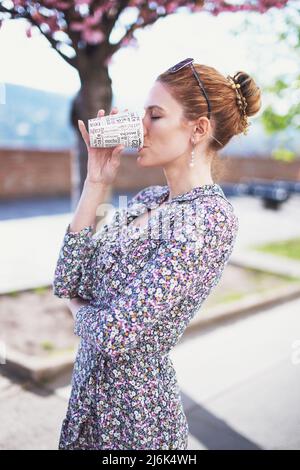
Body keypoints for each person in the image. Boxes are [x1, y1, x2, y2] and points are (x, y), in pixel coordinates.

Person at [53, 58, 261, 450]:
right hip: (86, 407)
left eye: (155, 115)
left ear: (198, 129)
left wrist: (80, 310)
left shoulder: (211, 219)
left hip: (135, 424)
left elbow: (116, 333)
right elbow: (68, 280)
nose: (139, 126)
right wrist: (97, 182)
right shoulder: (148, 200)